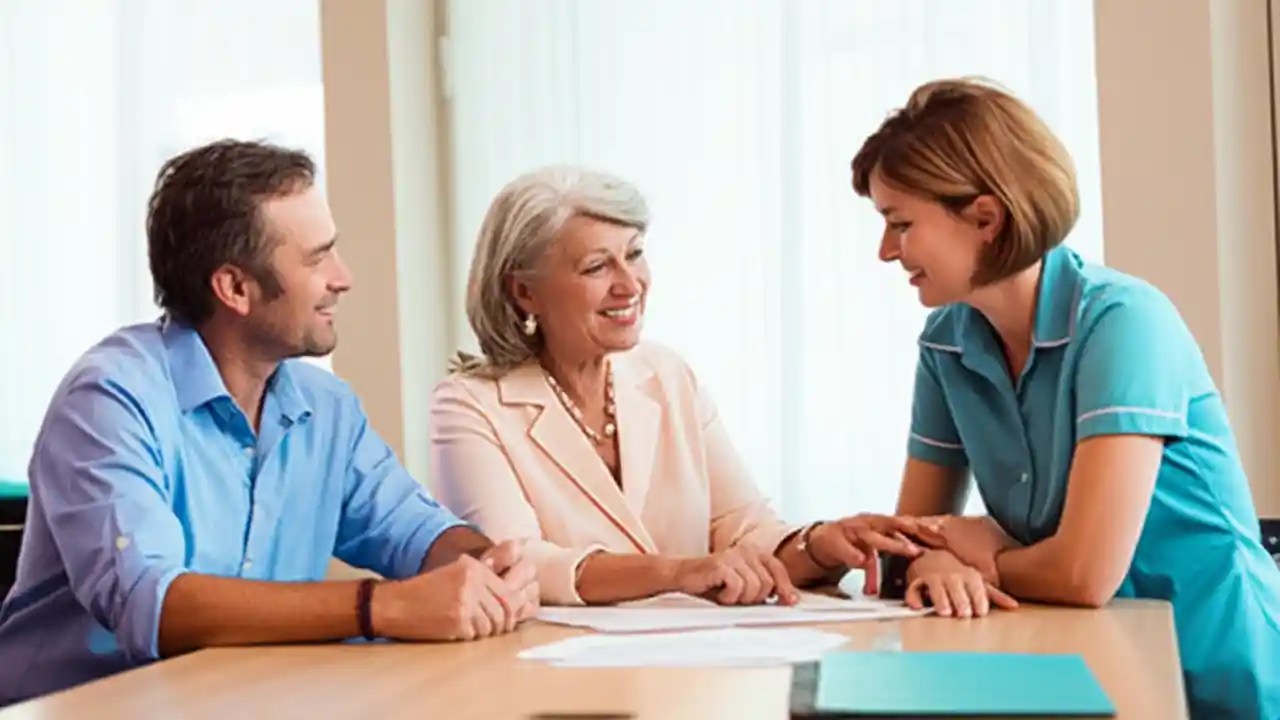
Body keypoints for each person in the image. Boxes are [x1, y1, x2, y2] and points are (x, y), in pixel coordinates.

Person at [0, 140, 538, 704]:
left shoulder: (324, 408)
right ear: (235, 288)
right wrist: (384, 606)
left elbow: (417, 534)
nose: (344, 277)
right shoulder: (109, 398)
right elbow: (149, 602)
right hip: (86, 708)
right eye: (317, 258)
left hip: (245, 703)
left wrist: (486, 569)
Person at [850, 77, 1280, 718]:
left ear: (986, 218)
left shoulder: (1124, 322)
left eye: (901, 223)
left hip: (1216, 674)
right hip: (1077, 659)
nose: (886, 251)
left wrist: (976, 554)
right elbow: (910, 541)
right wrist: (932, 560)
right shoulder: (947, 343)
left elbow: (1084, 573)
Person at [429, 166, 951, 608]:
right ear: (525, 293)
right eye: (596, 266)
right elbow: (517, 565)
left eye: (633, 254)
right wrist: (678, 571)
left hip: (684, 674)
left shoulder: (667, 375)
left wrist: (820, 544)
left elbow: (744, 530)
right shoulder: (470, 405)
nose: (629, 284)